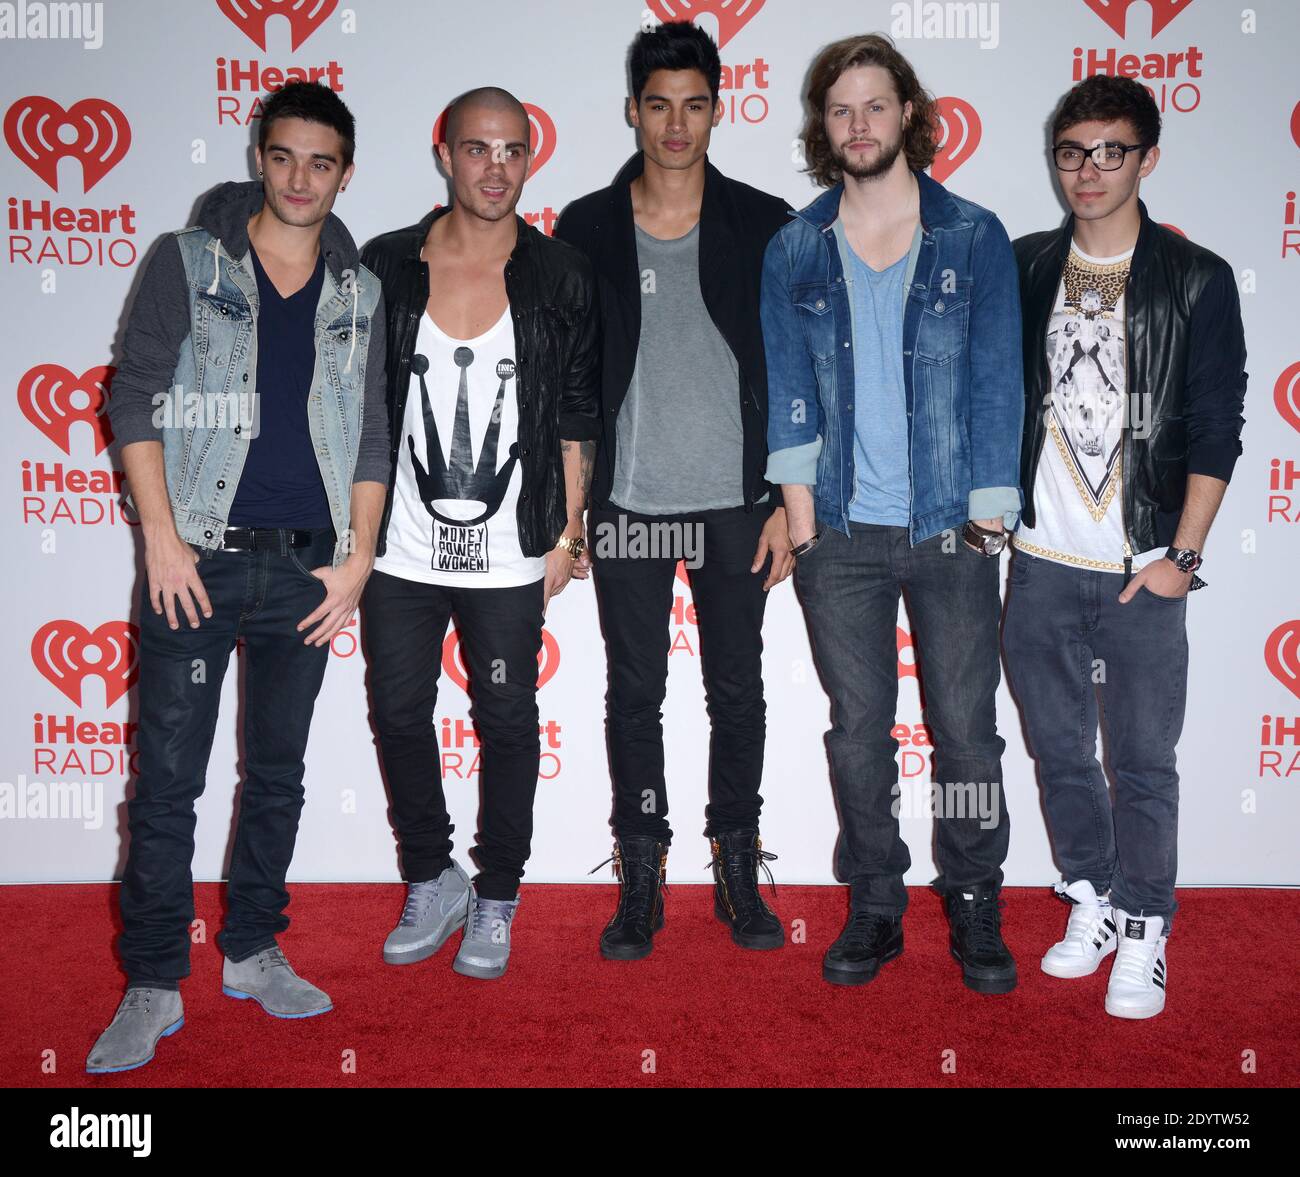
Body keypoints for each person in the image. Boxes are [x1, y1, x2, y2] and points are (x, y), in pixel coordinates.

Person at [89, 81, 388, 1072]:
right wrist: (160, 539)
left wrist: (357, 560)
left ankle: (253, 949)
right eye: (284, 157)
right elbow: (133, 397)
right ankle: (153, 977)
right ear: (258, 157)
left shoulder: (360, 295)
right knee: (169, 781)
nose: (301, 179)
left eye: (322, 162)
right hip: (199, 561)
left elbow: (372, 438)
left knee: (278, 777)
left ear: (345, 173)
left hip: (306, 570)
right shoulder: (192, 261)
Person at [762, 34, 1023, 991]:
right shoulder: (796, 244)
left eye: (875, 105)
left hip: (953, 527)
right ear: (822, 127)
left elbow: (999, 376)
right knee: (858, 728)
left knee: (965, 730)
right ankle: (876, 902)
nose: (859, 124)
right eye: (841, 109)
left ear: (909, 113)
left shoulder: (973, 235)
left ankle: (973, 898)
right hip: (838, 532)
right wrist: (799, 515)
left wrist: (991, 506)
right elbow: (788, 389)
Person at [1004, 74, 1247, 1019]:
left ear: (1148, 156)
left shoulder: (1197, 278)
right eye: (1073, 152)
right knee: (1060, 753)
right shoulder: (1027, 268)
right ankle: (1094, 898)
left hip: (1142, 570)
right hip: (1040, 563)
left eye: (1111, 150)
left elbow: (1218, 425)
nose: (1090, 170)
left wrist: (1180, 558)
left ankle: (1147, 925)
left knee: (1142, 760)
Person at [555, 20, 794, 960]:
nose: (677, 124)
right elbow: (569, 382)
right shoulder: (585, 225)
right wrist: (570, 514)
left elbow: (793, 371)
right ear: (632, 111)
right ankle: (643, 872)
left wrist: (786, 494)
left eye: (695, 104)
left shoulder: (764, 220)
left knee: (738, 690)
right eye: (659, 105)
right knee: (634, 691)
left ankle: (737, 867)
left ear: (718, 109)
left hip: (736, 499)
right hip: (626, 501)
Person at [360, 86, 600, 980]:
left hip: (513, 547)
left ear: (529, 157)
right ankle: (433, 873)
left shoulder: (562, 275)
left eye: (511, 150)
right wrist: (355, 534)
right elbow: (354, 407)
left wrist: (568, 537)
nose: (494, 168)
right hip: (398, 548)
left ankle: (497, 890)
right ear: (444, 154)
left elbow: (580, 417)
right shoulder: (385, 265)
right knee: (395, 709)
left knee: (505, 717)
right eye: (476, 149)